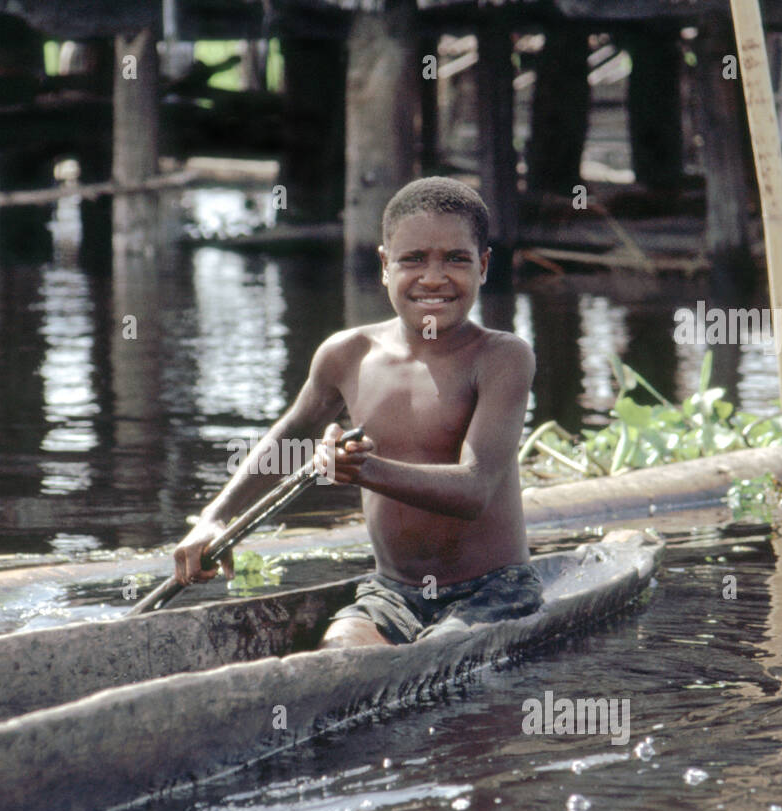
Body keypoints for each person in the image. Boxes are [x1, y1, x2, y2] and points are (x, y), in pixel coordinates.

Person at [172, 177, 541, 647]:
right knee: (339, 652)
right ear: (385, 266)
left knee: (443, 657)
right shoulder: (347, 354)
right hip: (393, 592)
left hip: (494, 590)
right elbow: (289, 439)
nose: (433, 277)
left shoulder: (502, 358)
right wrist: (215, 516)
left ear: (483, 266)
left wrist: (360, 469)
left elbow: (474, 489)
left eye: (456, 259)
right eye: (413, 260)